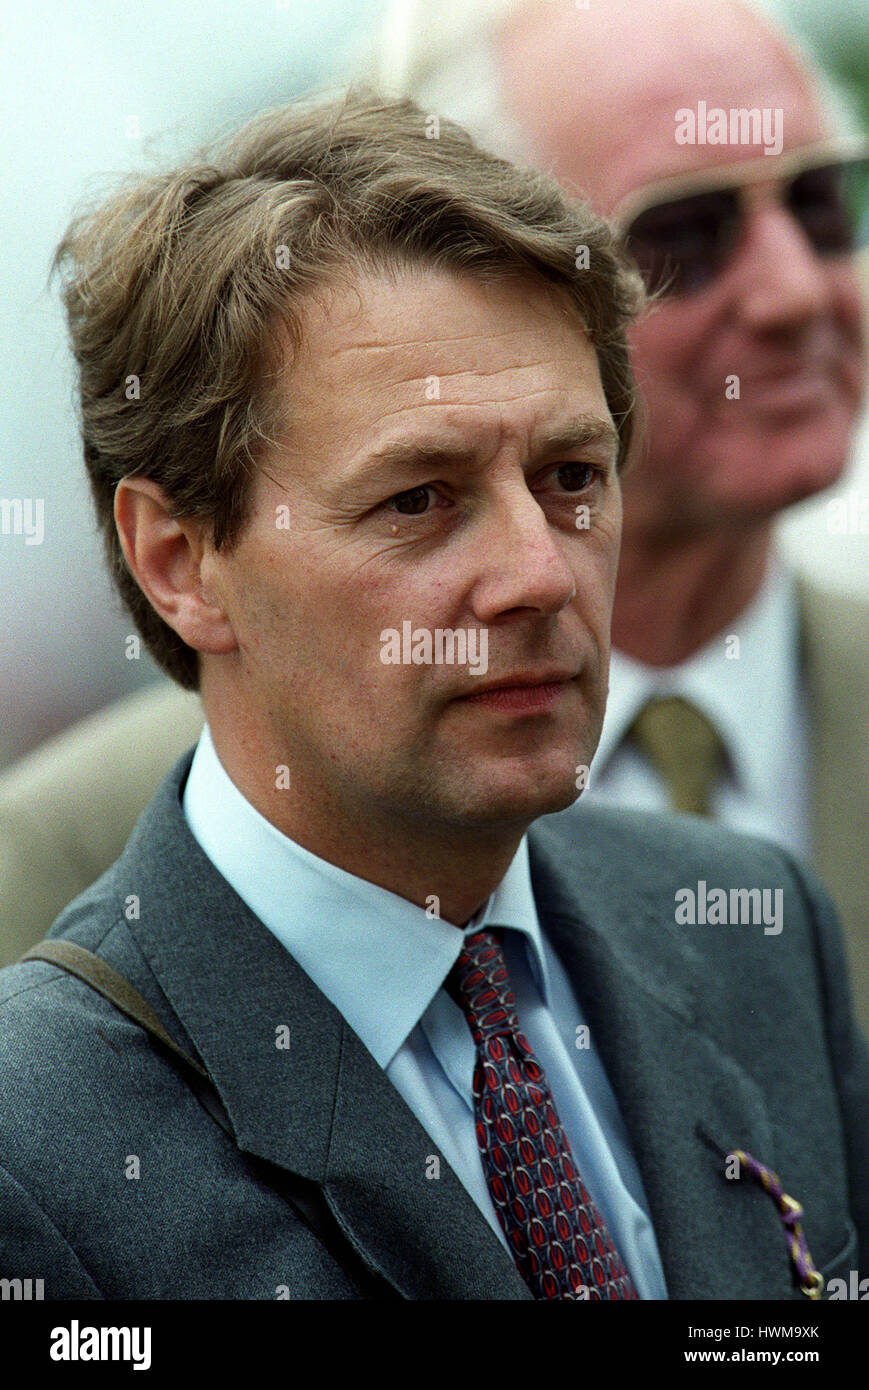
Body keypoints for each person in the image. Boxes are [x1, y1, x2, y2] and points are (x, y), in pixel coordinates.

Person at [0, 91, 865, 1302]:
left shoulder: (750, 937)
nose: (536, 573)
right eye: (417, 498)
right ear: (179, 562)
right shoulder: (37, 1144)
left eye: (570, 477)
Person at [386, 0, 869, 1033]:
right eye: (684, 235)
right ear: (462, 288)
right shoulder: (124, 834)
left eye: (820, 203)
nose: (792, 292)